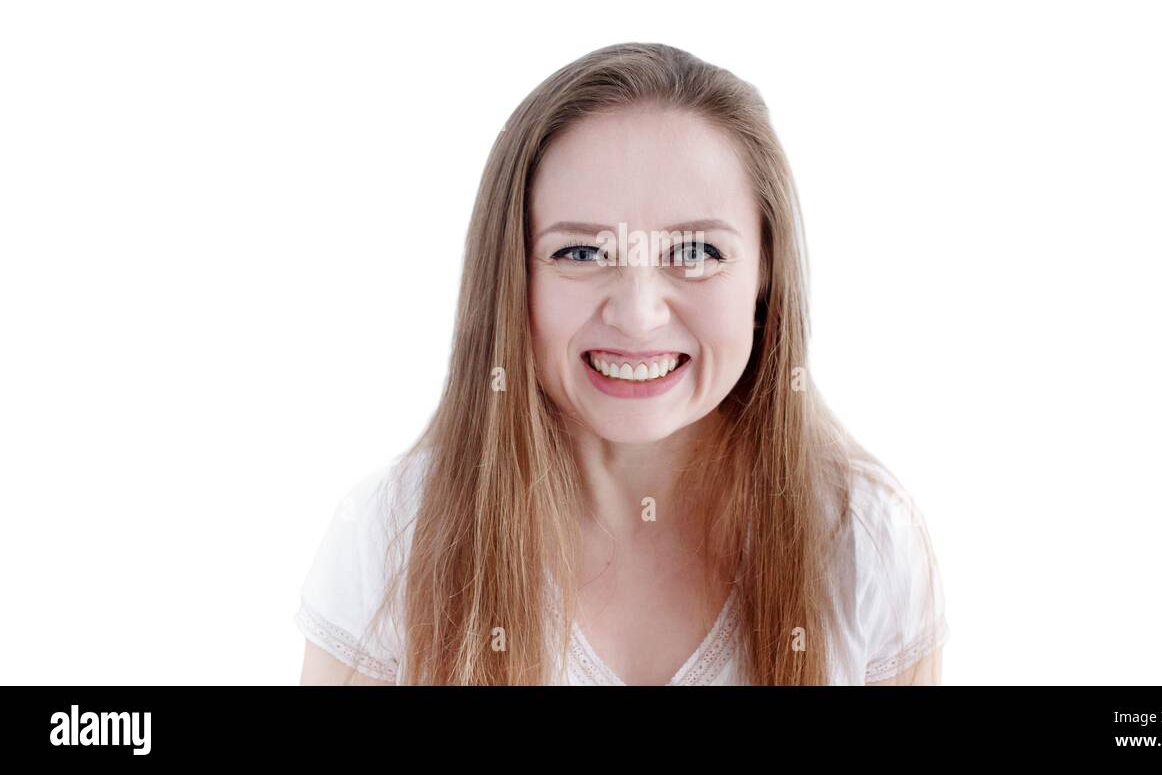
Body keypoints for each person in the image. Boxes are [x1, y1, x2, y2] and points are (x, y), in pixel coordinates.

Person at [295, 42, 949, 685]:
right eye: (580, 253)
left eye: (696, 250)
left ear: (764, 271)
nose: (638, 315)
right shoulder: (390, 539)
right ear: (511, 276)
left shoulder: (866, 540)